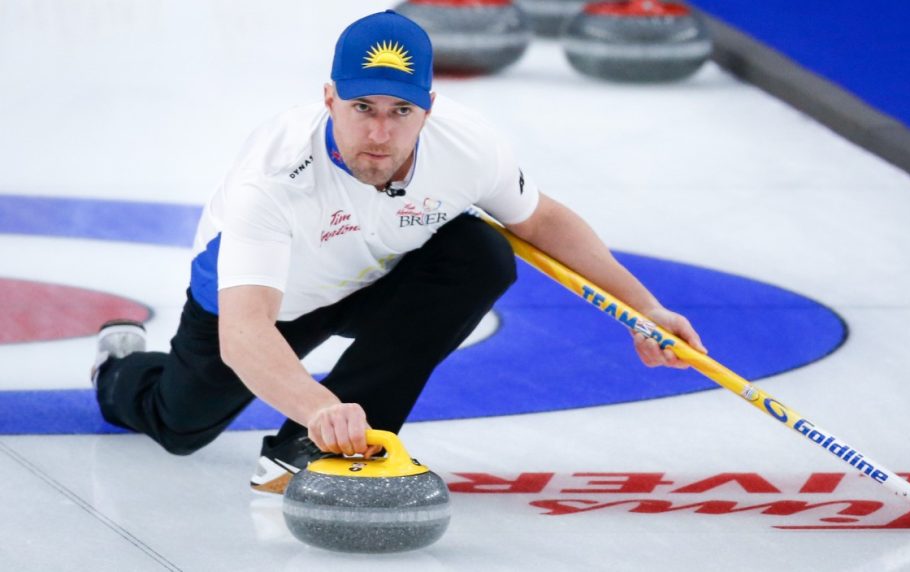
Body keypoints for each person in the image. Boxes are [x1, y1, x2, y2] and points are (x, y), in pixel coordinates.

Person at [91, 10, 707, 494]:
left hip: (372, 278)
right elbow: (245, 333)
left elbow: (542, 220)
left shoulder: (468, 145)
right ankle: (117, 367)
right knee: (177, 426)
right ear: (329, 98)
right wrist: (319, 406)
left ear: (428, 109)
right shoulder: (276, 175)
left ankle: (307, 450)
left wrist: (644, 308)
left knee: (484, 252)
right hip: (272, 302)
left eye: (400, 111)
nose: (380, 133)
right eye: (362, 108)